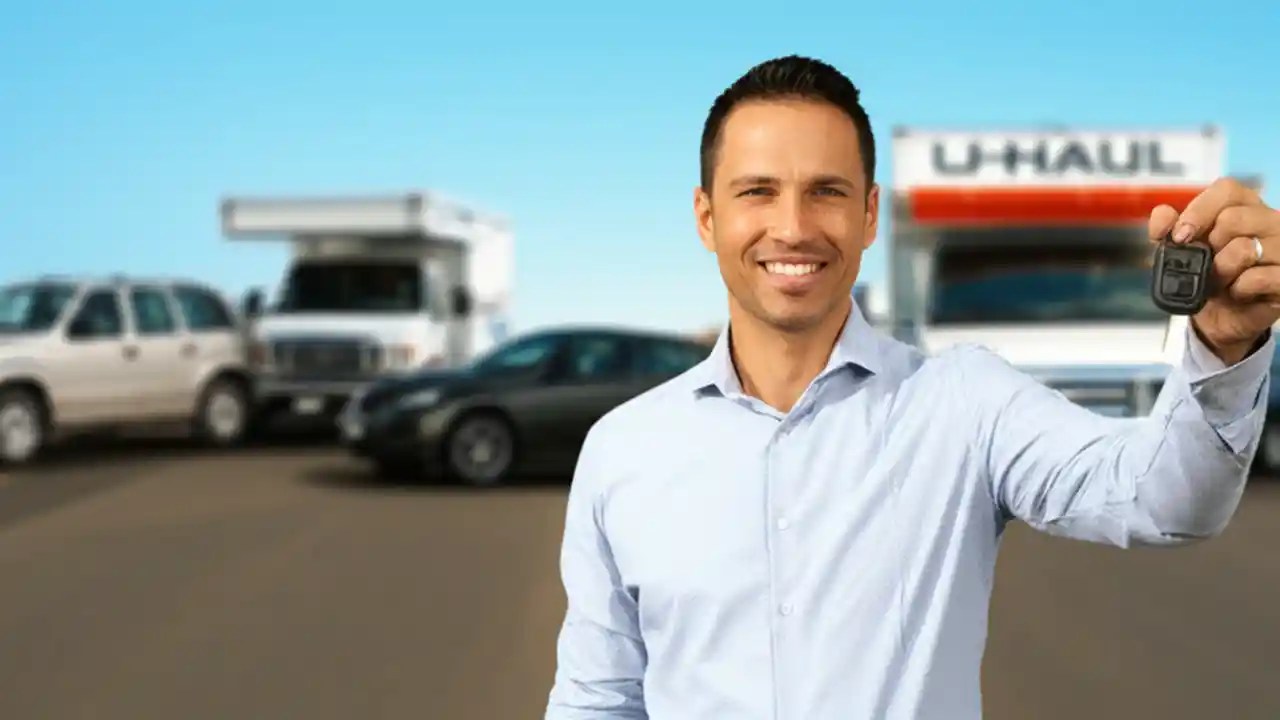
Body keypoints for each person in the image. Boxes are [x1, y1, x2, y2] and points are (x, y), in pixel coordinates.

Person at [544, 55, 1280, 719]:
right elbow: (599, 699)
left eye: (826, 192)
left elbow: (1166, 501)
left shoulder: (965, 404)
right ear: (708, 218)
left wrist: (1222, 343)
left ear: (869, 215)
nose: (793, 227)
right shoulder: (623, 451)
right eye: (758, 191)